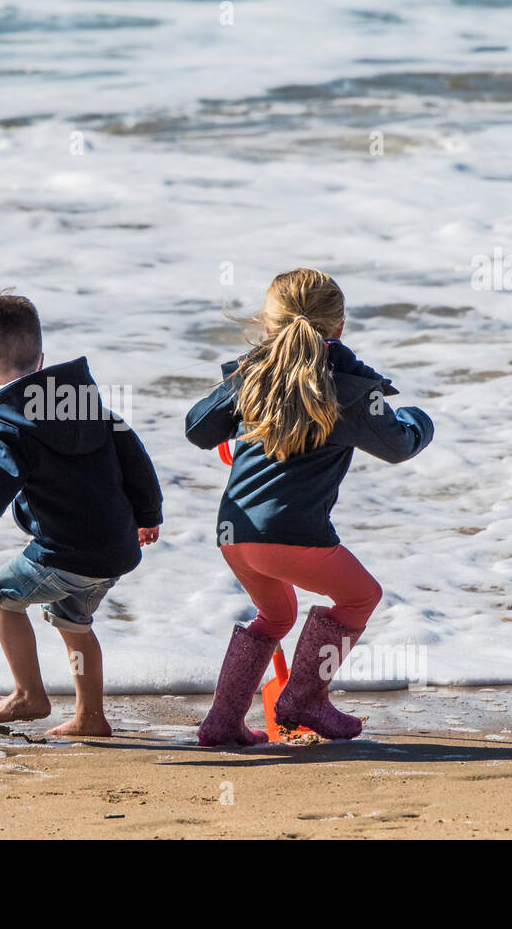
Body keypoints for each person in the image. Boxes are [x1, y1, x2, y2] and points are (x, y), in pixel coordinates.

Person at [186, 268, 434, 745]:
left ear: (268, 322)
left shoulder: (252, 375)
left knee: (275, 617)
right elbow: (400, 445)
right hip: (291, 533)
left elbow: (198, 429)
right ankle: (304, 699)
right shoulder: (353, 389)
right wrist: (418, 419)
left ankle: (222, 723)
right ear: (339, 327)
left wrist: (240, 392)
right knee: (361, 597)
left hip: (234, 533)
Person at [0, 290, 163, 737]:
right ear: (41, 356)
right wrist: (148, 514)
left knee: (0, 596)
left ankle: (28, 695)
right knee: (74, 623)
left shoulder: (5, 424)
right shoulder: (82, 401)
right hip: (117, 549)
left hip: (65, 553)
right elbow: (134, 454)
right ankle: (90, 716)